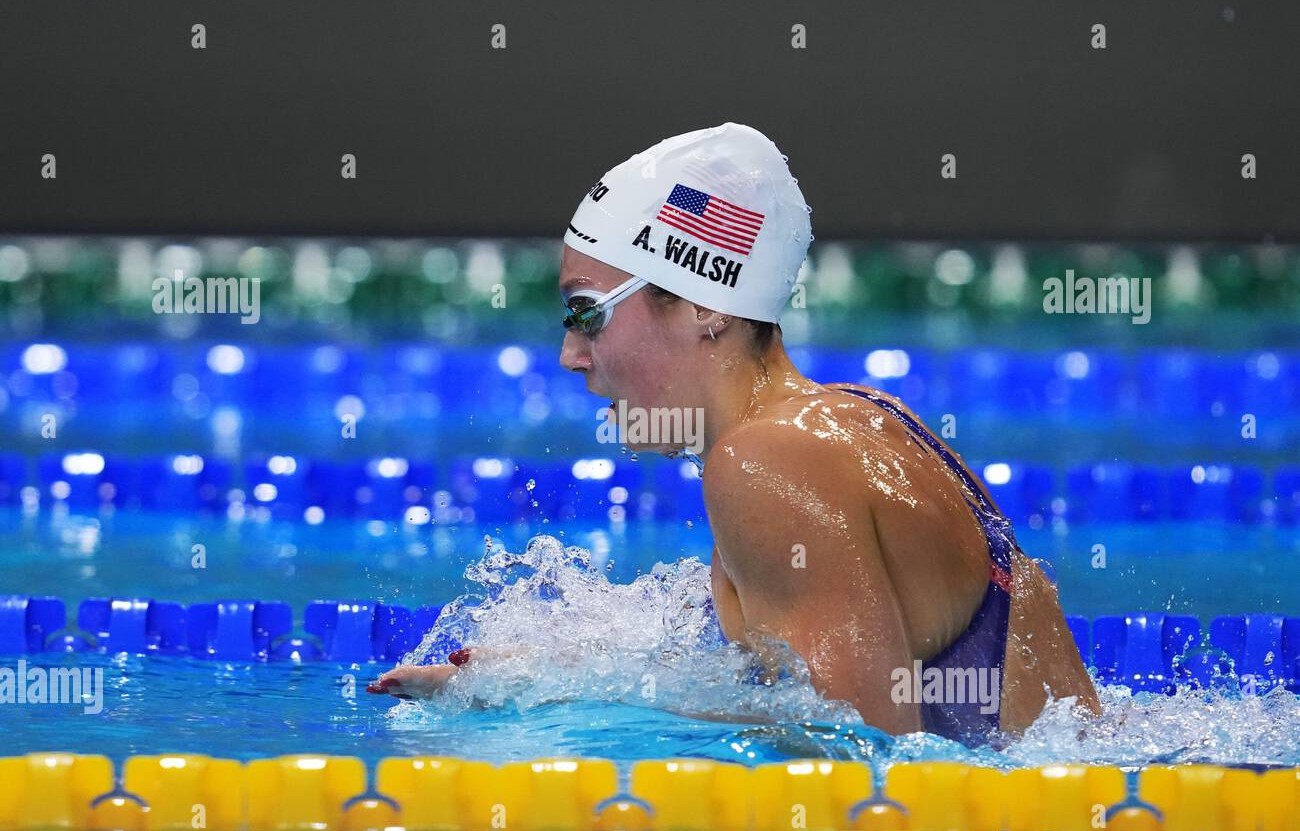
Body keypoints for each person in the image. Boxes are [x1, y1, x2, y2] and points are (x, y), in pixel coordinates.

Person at [370, 122, 1100, 743]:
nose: (571, 354)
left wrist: (578, 708)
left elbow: (861, 750)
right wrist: (534, 671)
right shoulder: (859, 417)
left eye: (587, 312)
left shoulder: (766, 459)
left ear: (700, 307)